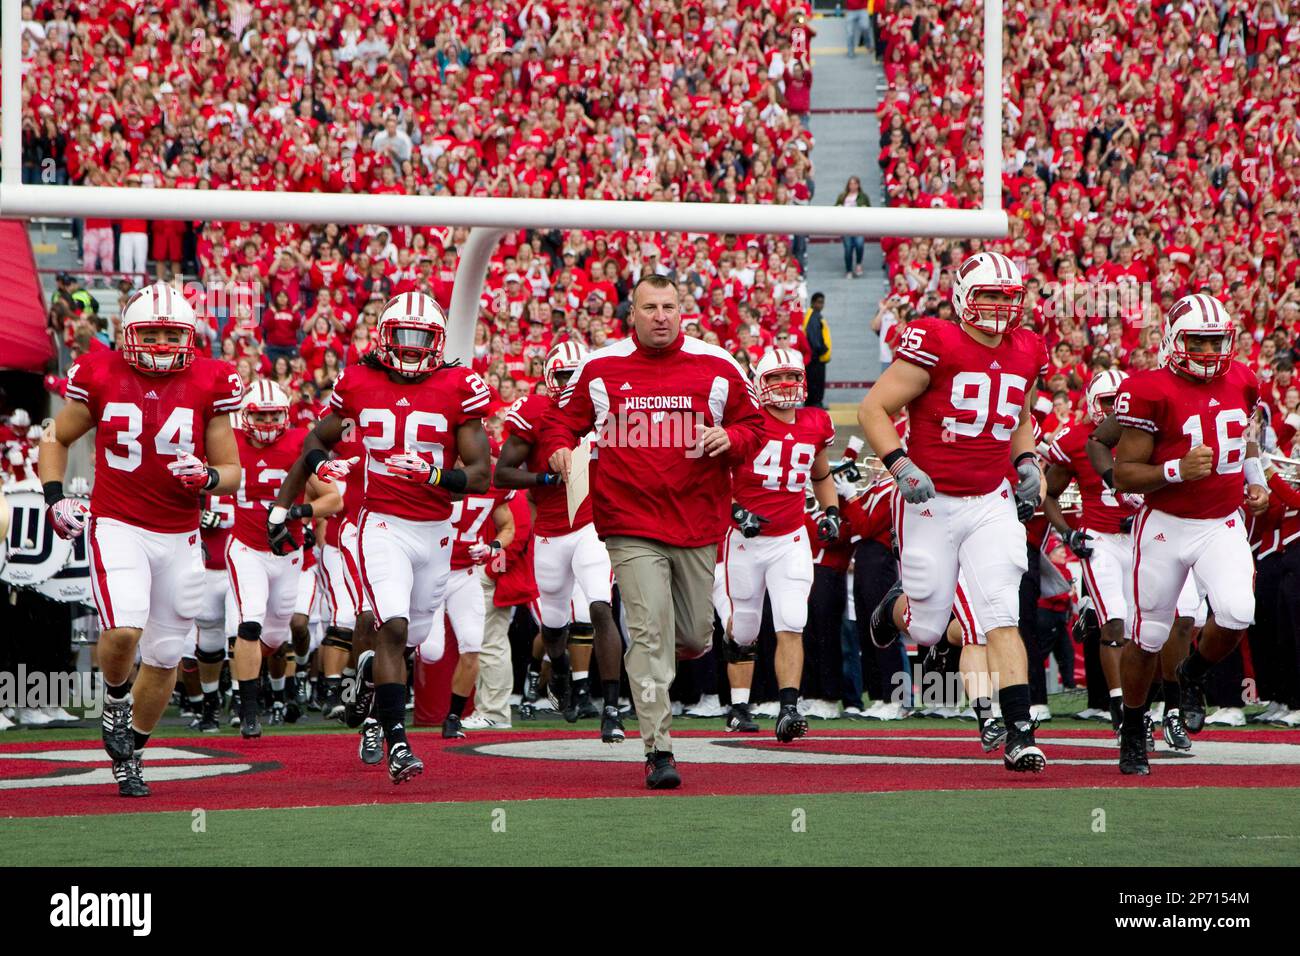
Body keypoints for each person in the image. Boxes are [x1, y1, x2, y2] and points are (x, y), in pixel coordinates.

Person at [541, 275, 766, 790]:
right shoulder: (602, 367)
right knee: (646, 634)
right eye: (650, 307)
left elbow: (755, 427)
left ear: (681, 311)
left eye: (669, 307)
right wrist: (558, 446)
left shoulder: (718, 365)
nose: (660, 316)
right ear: (633, 314)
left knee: (690, 637)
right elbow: (561, 421)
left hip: (696, 521)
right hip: (630, 522)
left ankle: (666, 672)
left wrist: (727, 437)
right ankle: (658, 748)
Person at [272, 291, 492, 784]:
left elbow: (480, 476)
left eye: (423, 339)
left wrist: (433, 474)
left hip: (435, 530)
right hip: (381, 524)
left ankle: (367, 687)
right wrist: (318, 465)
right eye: (403, 337)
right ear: (384, 337)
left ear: (437, 342)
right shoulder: (357, 379)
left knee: (410, 639)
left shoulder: (460, 385)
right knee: (390, 626)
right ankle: (396, 742)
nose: (412, 349)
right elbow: (315, 439)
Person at [39, 283, 244, 797]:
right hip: (119, 524)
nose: (157, 343)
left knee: (167, 655)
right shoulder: (101, 371)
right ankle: (113, 698)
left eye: (168, 334)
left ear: (188, 335)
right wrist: (55, 496)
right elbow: (56, 438)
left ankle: (132, 750)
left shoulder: (210, 380)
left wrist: (209, 478)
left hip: (180, 534)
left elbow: (232, 469)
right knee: (125, 631)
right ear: (129, 333)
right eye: (147, 333)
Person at [857, 252, 1051, 773]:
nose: (998, 305)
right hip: (931, 502)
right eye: (988, 294)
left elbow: (1018, 414)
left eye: (1008, 296)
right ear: (965, 294)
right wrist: (900, 464)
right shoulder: (936, 339)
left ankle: (1019, 732)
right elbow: (873, 408)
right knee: (926, 629)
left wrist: (1027, 460)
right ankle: (894, 606)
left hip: (991, 499)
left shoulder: (1029, 347)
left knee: (1000, 615)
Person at [1111, 294, 1268, 775]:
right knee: (1148, 635)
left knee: (1238, 611)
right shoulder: (1149, 390)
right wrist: (1177, 468)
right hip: (1166, 525)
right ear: (1174, 341)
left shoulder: (1242, 379)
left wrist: (1256, 478)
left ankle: (1192, 674)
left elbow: (1245, 440)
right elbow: (1123, 474)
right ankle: (1134, 729)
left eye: (1215, 340)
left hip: (1221, 520)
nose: (1207, 351)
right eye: (1196, 340)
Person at [494, 341, 626, 742]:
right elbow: (501, 473)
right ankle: (562, 672)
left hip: (591, 527)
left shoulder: (607, 408)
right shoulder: (534, 412)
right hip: (550, 532)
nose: (571, 383)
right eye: (564, 375)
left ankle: (611, 708)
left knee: (600, 608)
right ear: (551, 377)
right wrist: (544, 479)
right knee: (553, 628)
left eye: (577, 375)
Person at [723, 348, 840, 740]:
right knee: (744, 629)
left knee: (792, 620)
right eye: (775, 378)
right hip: (744, 541)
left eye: (791, 376)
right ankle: (739, 706)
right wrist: (737, 512)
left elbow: (821, 475)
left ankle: (789, 709)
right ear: (759, 383)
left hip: (789, 537)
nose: (785, 385)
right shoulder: (745, 423)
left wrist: (831, 511)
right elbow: (713, 481)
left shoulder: (815, 422)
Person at [227, 380, 341, 736]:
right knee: (249, 624)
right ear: (245, 416)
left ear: (285, 414)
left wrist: (294, 513)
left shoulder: (298, 443)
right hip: (246, 547)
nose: (266, 423)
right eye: (259, 416)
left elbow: (333, 498)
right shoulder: (227, 440)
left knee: (279, 635)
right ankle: (247, 712)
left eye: (273, 414)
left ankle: (288, 679)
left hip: (288, 555)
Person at [836, 177, 870, 278]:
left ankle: (858, 263)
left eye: (855, 183)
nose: (853, 186)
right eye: (851, 184)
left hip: (859, 225)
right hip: (846, 226)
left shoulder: (863, 197)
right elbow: (835, 207)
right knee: (848, 248)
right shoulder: (842, 196)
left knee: (859, 244)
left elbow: (869, 208)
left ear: (858, 185)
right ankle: (849, 270)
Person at [803, 292, 830, 408]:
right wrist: (822, 350)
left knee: (815, 382)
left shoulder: (813, 315)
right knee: (816, 382)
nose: (821, 305)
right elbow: (814, 338)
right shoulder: (814, 317)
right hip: (816, 358)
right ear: (813, 303)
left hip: (815, 357)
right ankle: (815, 405)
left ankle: (814, 403)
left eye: (822, 302)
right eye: (819, 302)